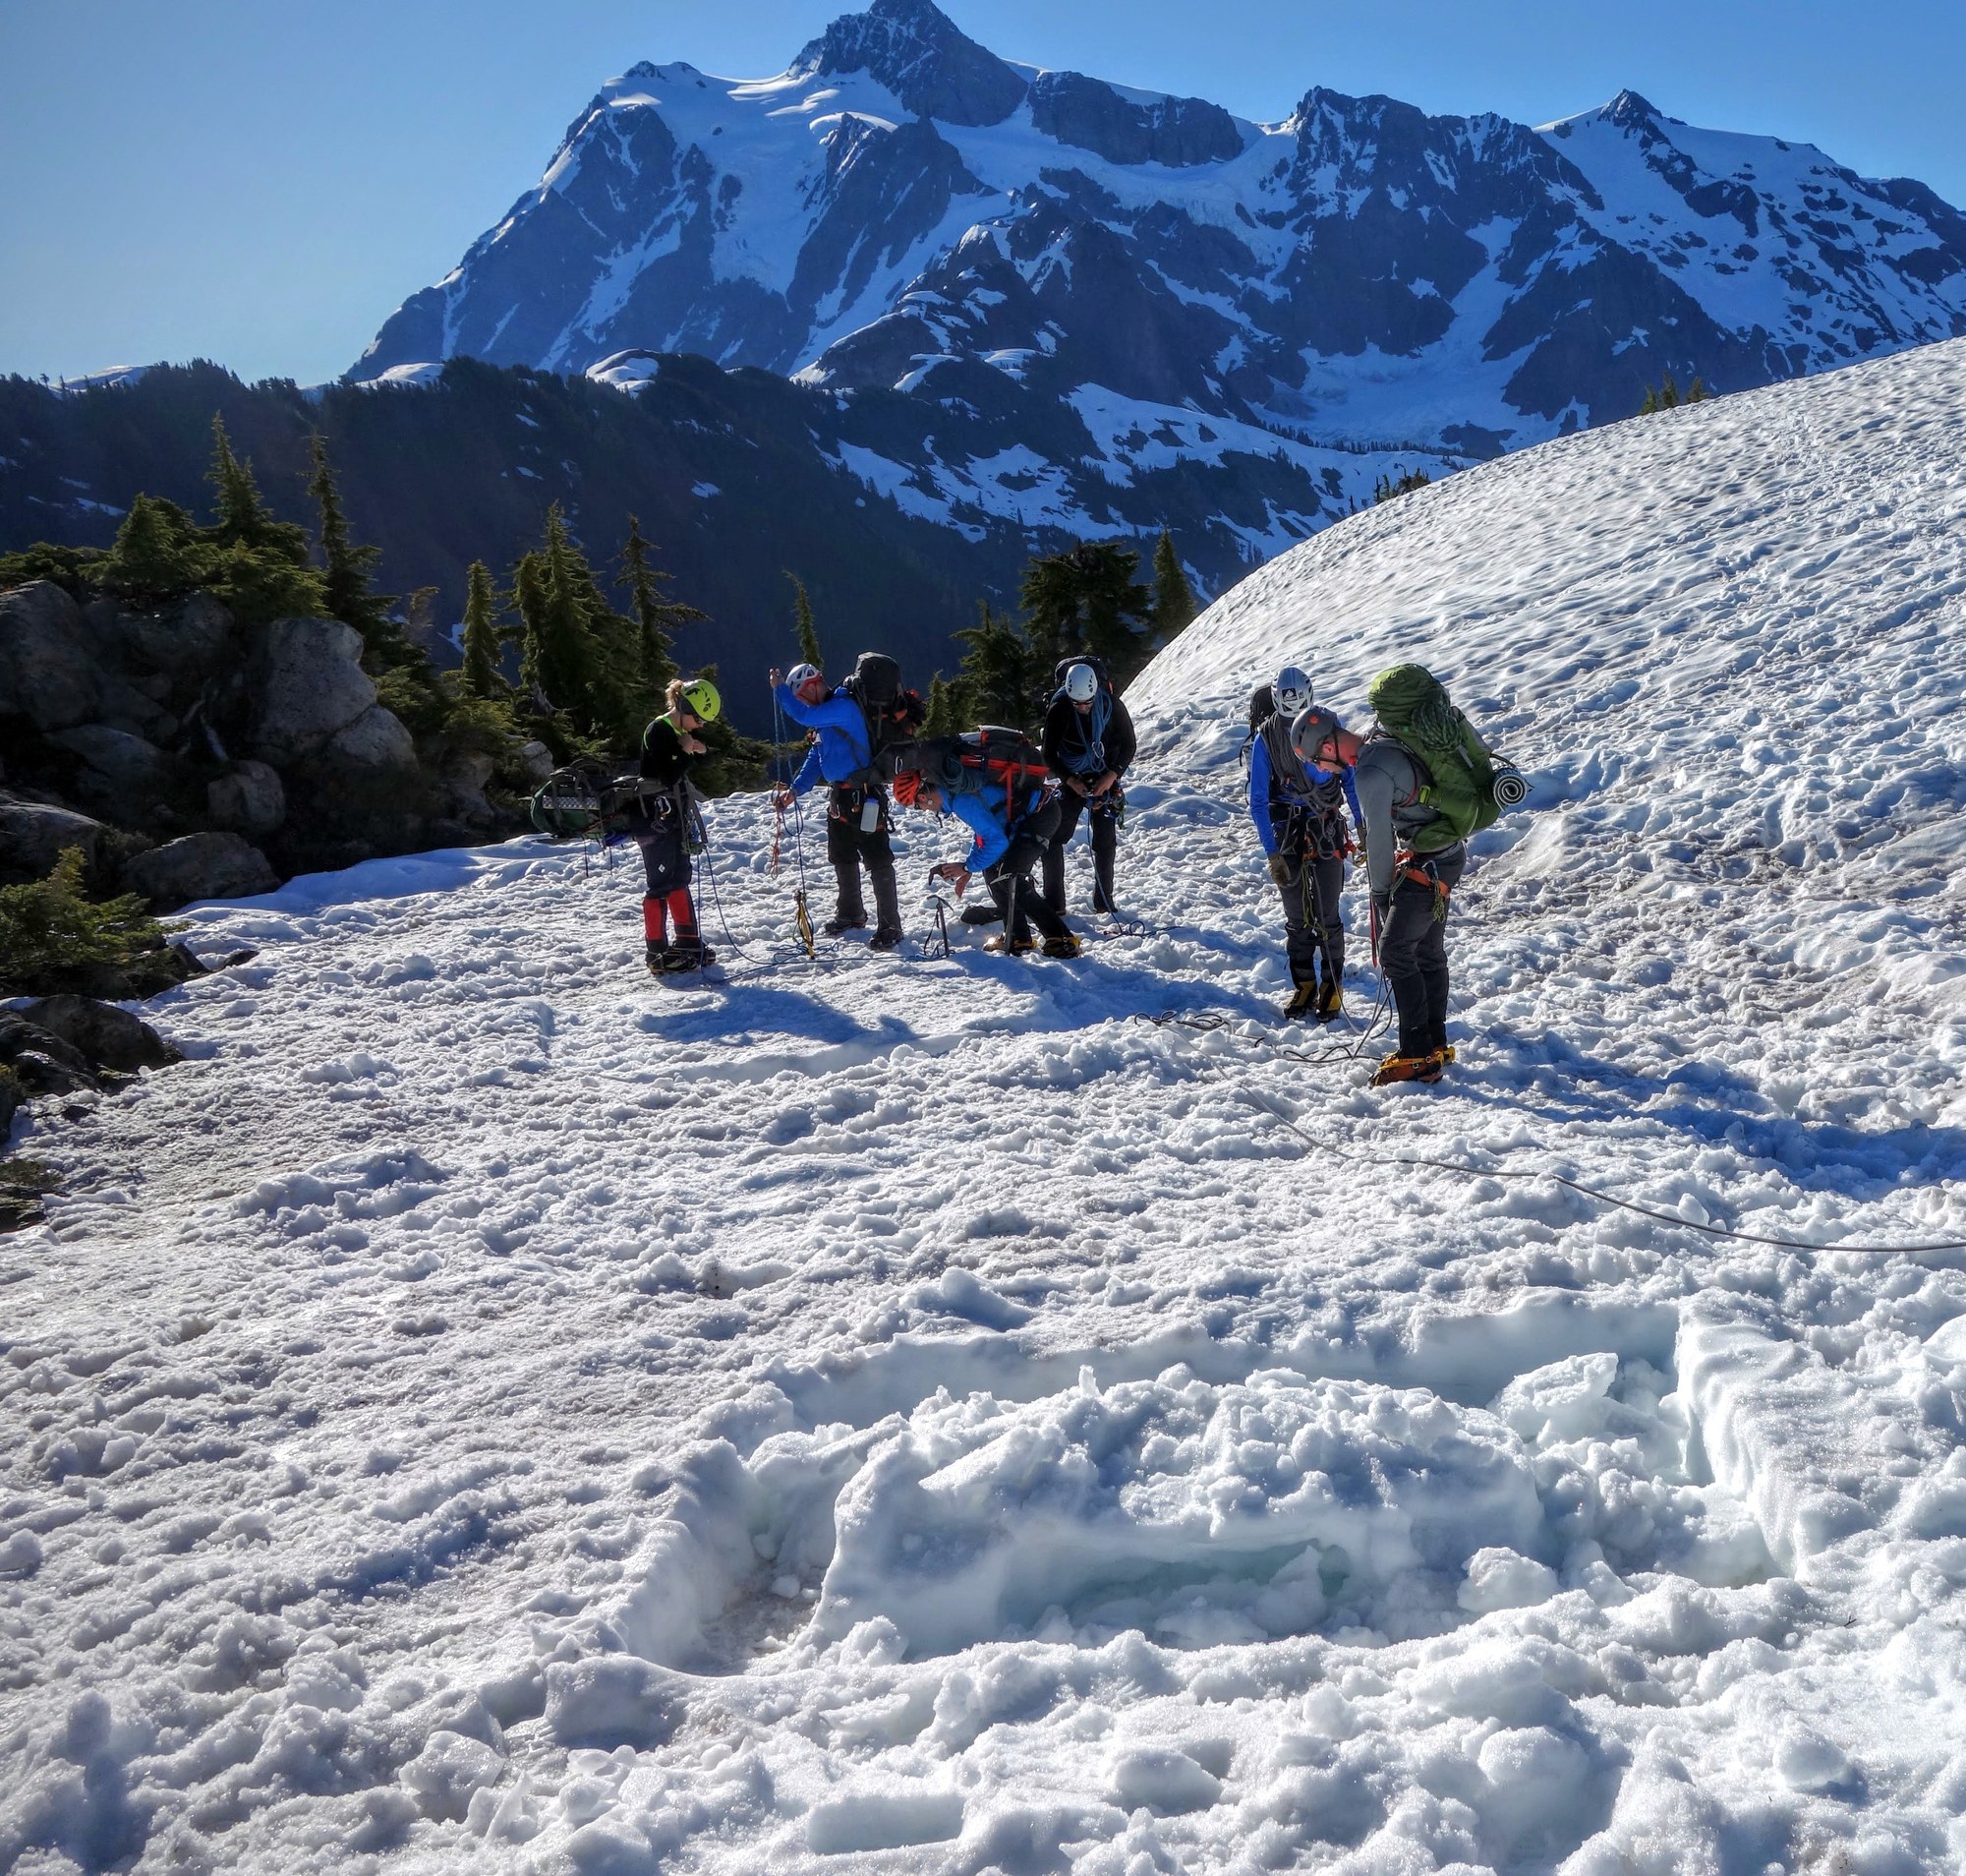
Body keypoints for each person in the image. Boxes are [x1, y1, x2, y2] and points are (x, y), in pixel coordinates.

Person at [1353, 663, 1492, 1085]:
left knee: (1396, 951)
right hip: (1444, 854)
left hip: (1431, 859)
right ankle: (1435, 1044)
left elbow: (1378, 835)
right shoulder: (1411, 736)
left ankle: (1417, 1054)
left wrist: (1379, 893)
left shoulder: (1379, 757)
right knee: (1428, 952)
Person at [1247, 667, 1359, 1020]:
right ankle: (1306, 984)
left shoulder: (1325, 727)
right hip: (1290, 827)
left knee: (1326, 911)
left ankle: (1330, 985)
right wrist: (1273, 852)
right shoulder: (1266, 739)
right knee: (1296, 914)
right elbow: (1259, 801)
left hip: (1321, 826)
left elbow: (1350, 780)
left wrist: (1364, 828)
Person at [770, 661, 904, 951]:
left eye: (803, 694)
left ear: (814, 684)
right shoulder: (828, 717)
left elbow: (804, 716)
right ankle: (851, 913)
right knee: (842, 856)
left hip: (865, 794)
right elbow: (817, 756)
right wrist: (795, 791)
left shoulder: (842, 706)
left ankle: (890, 925)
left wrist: (780, 691)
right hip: (842, 798)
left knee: (877, 859)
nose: (803, 701)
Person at [892, 752, 1078, 958]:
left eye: (916, 806)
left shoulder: (959, 799)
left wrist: (966, 867)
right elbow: (984, 833)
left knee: (1010, 876)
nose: (923, 810)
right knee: (993, 872)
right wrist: (972, 866)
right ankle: (1018, 937)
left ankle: (1062, 939)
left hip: (1041, 815)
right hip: (1029, 816)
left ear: (922, 797)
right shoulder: (955, 793)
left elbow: (996, 840)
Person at [632, 676, 720, 974]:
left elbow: (695, 763)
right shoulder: (659, 730)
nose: (700, 725)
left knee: (680, 875)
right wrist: (685, 750)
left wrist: (696, 750)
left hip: (673, 817)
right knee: (660, 883)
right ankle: (656, 954)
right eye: (698, 719)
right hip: (653, 821)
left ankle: (687, 941)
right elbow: (668, 776)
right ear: (683, 707)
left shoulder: (678, 731)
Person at [1042, 660, 1137, 917]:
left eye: (1087, 703)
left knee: (1105, 842)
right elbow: (1048, 753)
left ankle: (1104, 902)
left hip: (1104, 775)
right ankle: (1055, 904)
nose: (1083, 708)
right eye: (1078, 704)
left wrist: (1110, 776)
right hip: (1074, 778)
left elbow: (1129, 745)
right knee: (1052, 839)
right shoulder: (1060, 709)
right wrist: (1071, 780)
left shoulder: (1112, 706)